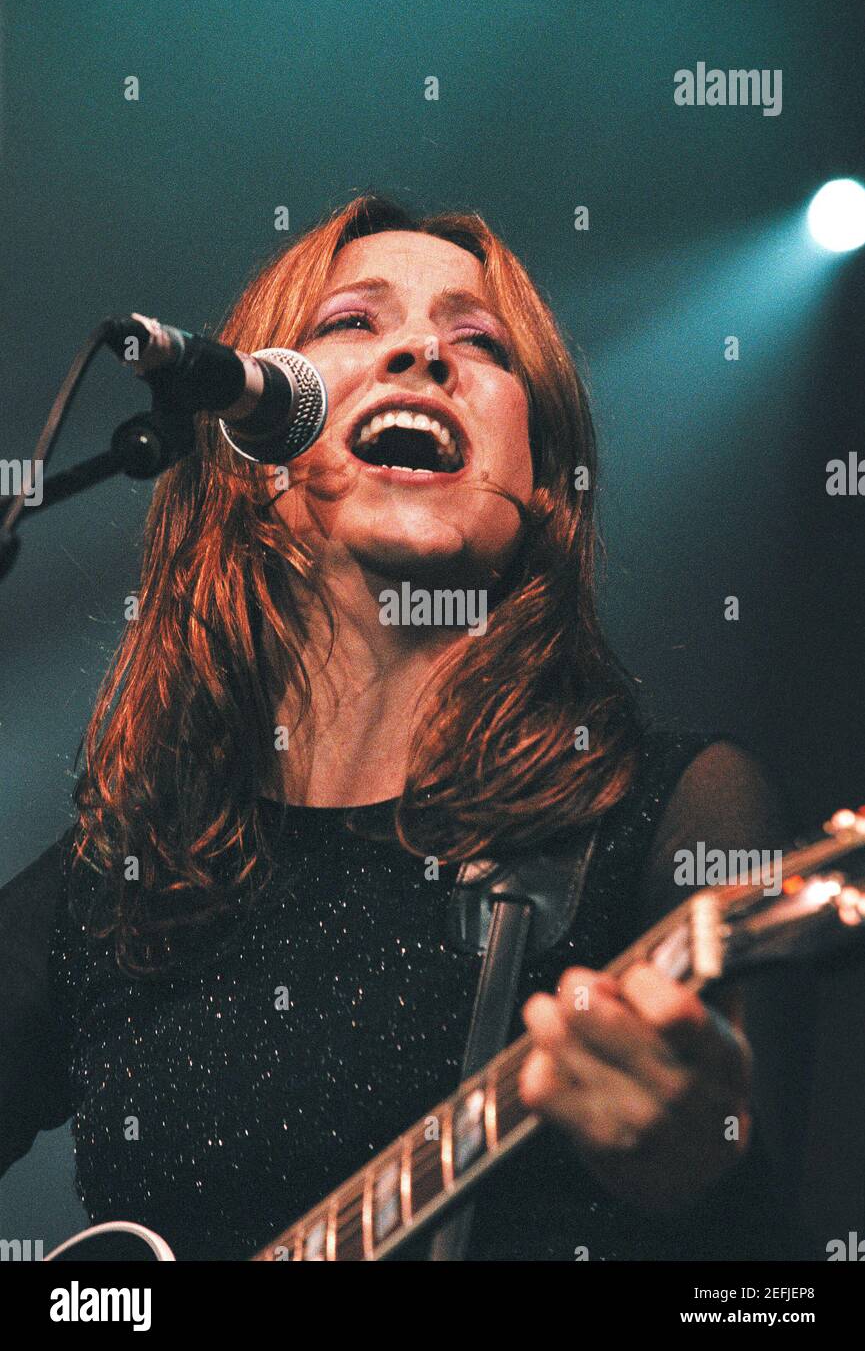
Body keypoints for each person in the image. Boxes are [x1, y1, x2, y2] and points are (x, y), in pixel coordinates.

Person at [0, 194, 799, 1260]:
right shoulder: (128, 878)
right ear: (247, 447)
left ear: (545, 488)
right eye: (351, 323)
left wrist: (707, 1181)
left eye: (480, 342)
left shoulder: (661, 816)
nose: (423, 349)